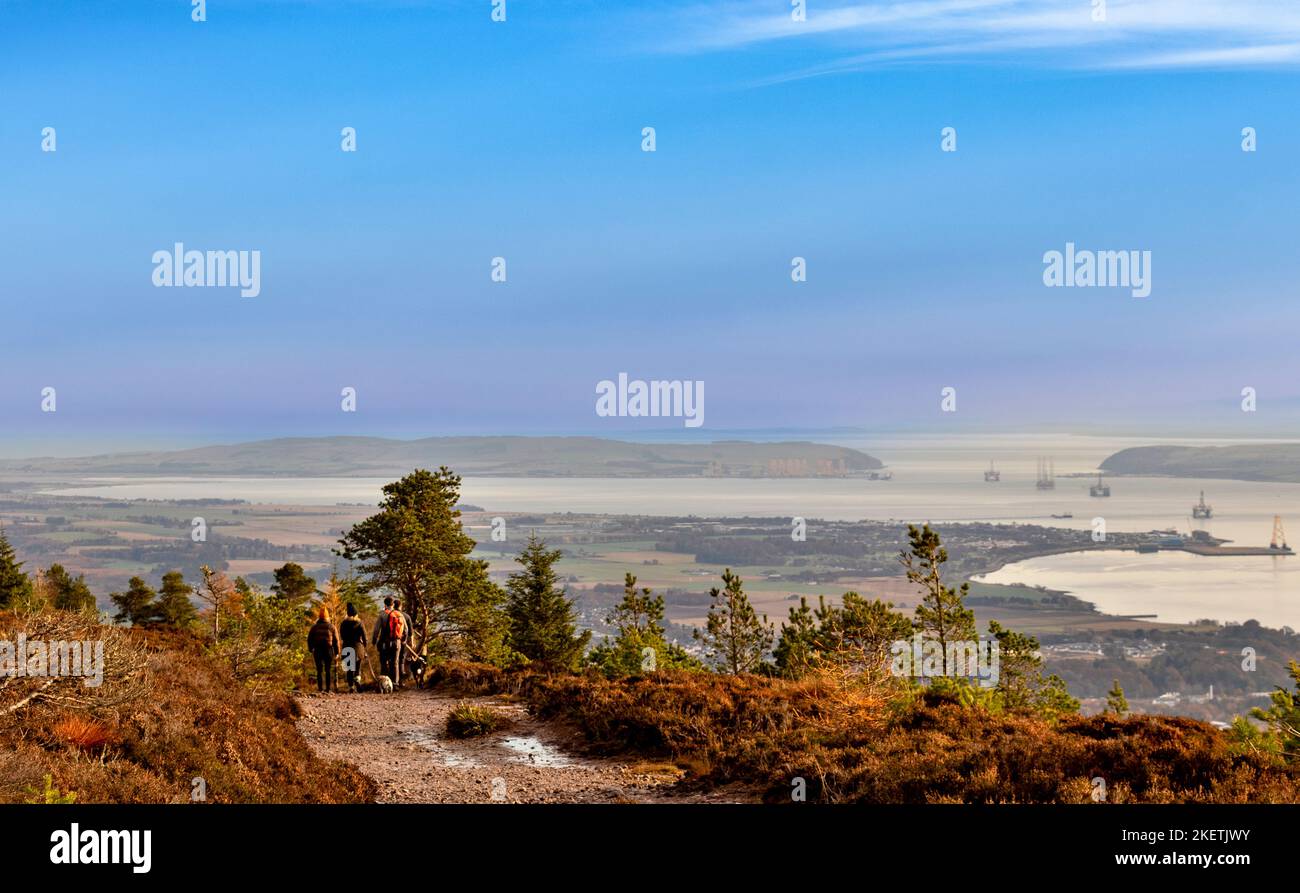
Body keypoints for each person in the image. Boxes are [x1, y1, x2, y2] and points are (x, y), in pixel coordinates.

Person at [307, 607, 340, 693]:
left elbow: (309, 639)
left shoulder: (314, 627)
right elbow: (336, 641)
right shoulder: (332, 627)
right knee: (328, 670)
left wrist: (311, 649)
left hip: (318, 650)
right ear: (327, 617)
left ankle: (320, 688)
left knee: (319, 670)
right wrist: (337, 652)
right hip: (328, 650)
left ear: (319, 616)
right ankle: (328, 689)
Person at [338, 602, 367, 692]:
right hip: (358, 647)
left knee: (349, 669)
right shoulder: (359, 623)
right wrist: (364, 646)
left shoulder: (343, 623)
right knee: (357, 667)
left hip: (347, 646)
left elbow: (342, 636)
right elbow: (365, 637)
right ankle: (357, 680)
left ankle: (351, 687)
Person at [372, 596, 398, 683]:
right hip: (396, 642)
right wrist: (403, 641)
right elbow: (405, 629)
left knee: (384, 662)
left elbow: (376, 630)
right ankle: (395, 683)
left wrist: (374, 640)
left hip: (384, 642)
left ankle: (384, 683)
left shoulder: (382, 614)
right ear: (393, 604)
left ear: (385, 604)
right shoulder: (399, 614)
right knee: (395, 663)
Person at [393, 598, 415, 687]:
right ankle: (401, 682)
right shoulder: (406, 616)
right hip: (402, 642)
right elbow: (410, 631)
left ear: (393, 605)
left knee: (392, 661)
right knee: (401, 661)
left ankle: (393, 680)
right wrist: (411, 642)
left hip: (391, 641)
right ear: (401, 606)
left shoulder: (389, 615)